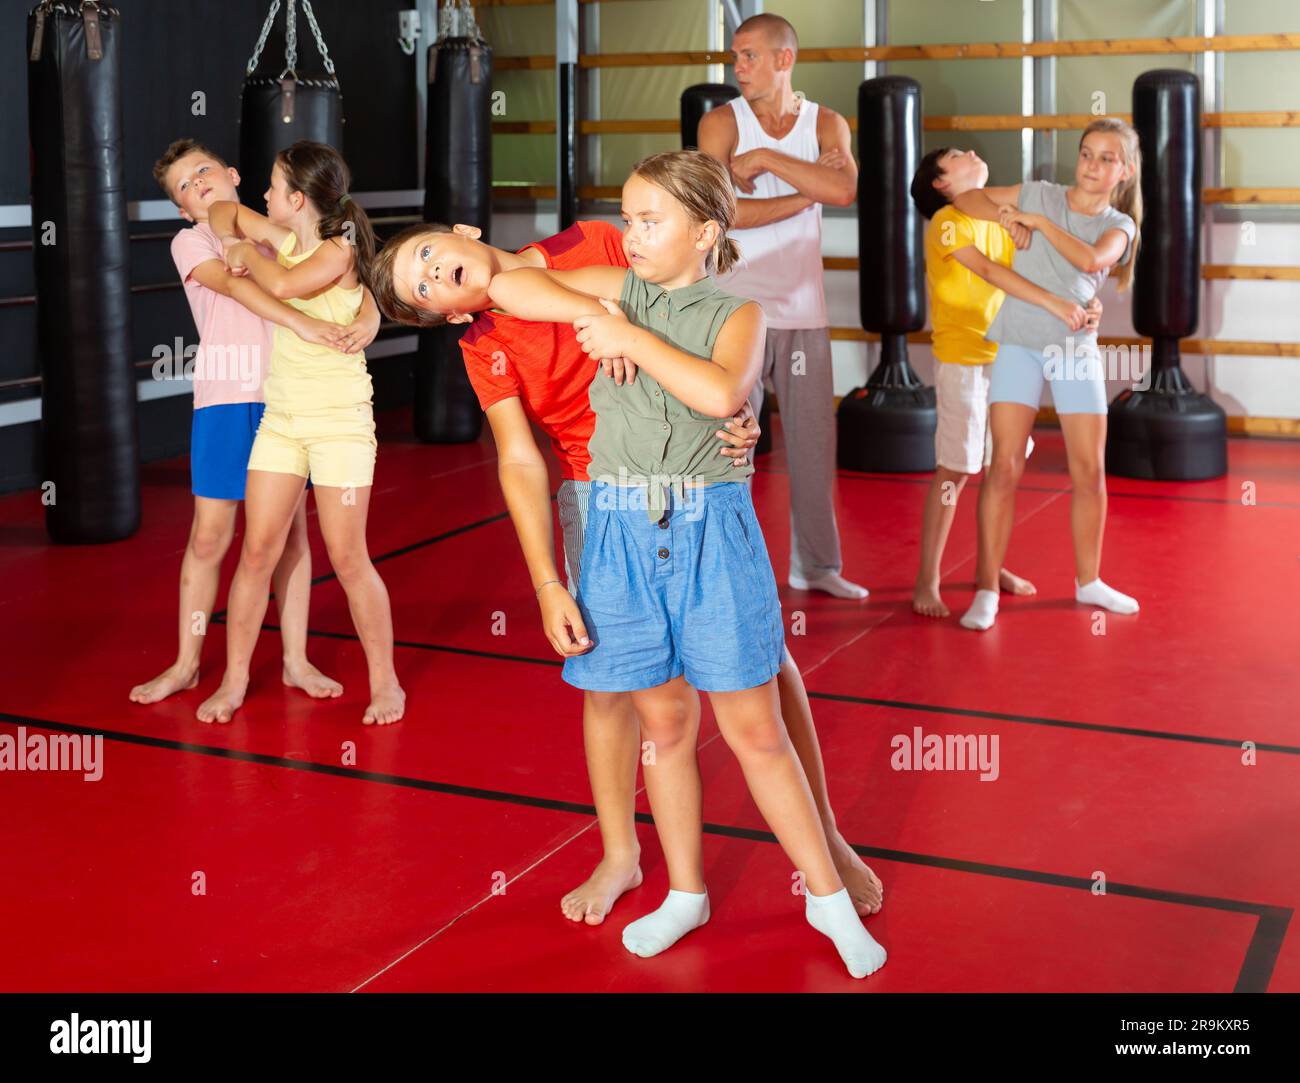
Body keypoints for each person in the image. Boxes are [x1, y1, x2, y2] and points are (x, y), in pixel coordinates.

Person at [370, 219, 884, 922]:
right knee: (612, 683)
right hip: (598, 497)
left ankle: (826, 834)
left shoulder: (593, 245)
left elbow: (706, 318)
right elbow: (519, 459)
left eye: (427, 255)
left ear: (463, 231)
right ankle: (621, 853)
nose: (432, 275)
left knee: (763, 663)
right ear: (450, 313)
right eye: (421, 289)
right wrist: (547, 582)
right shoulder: (485, 345)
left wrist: (745, 409)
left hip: (692, 475)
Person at [487, 150, 886, 978]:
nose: (630, 235)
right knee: (663, 730)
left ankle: (826, 895)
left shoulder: (739, 311)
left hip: (710, 531)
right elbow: (510, 290)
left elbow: (718, 394)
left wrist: (628, 336)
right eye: (626, 218)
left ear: (704, 233)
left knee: (754, 729)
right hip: (618, 532)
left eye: (649, 220)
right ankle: (686, 891)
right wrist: (584, 306)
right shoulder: (616, 287)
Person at [131, 139, 377, 706]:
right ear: (181, 208)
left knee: (289, 539)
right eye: (184, 187)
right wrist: (302, 322)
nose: (198, 185)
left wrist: (370, 314)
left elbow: (350, 275)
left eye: (204, 172)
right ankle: (187, 662)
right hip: (224, 398)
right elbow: (239, 284)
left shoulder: (285, 233)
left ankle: (294, 659)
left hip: (286, 397)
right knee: (210, 536)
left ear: (234, 174)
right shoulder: (191, 240)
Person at [198, 141, 405, 724]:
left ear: (295, 198)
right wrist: (235, 233)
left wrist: (242, 250)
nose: (262, 196)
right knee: (257, 550)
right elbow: (223, 212)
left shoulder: (338, 251)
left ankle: (385, 683)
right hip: (283, 423)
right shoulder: (288, 241)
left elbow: (283, 288)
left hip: (339, 426)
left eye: (271, 186)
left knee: (347, 557)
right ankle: (236, 680)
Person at [698, 12, 867, 600]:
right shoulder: (720, 123)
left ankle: (816, 568)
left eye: (748, 55)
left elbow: (844, 190)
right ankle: (718, 570)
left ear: (783, 60)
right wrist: (805, 192)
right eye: (735, 56)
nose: (737, 67)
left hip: (802, 312)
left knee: (814, 447)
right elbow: (721, 213)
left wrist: (767, 161)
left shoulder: (826, 123)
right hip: (731, 312)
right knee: (724, 449)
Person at [952, 119, 1142, 632]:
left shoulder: (1120, 224)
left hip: (1074, 349)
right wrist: (1004, 212)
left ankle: (1089, 582)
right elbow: (967, 201)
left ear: (1124, 172)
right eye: (1086, 153)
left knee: (1089, 470)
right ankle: (987, 586)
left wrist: (1033, 221)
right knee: (1004, 467)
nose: (1092, 165)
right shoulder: (1041, 192)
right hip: (1019, 343)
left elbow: (1088, 257)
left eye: (1106, 158)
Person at [909, 146, 1102, 618]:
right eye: (957, 155)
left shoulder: (1000, 218)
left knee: (1002, 469)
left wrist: (1082, 304)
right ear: (941, 182)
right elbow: (991, 272)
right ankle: (927, 578)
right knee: (956, 469)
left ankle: (988, 573)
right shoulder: (948, 221)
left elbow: (1040, 271)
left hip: (1007, 354)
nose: (973, 150)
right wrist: (1056, 306)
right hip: (963, 360)